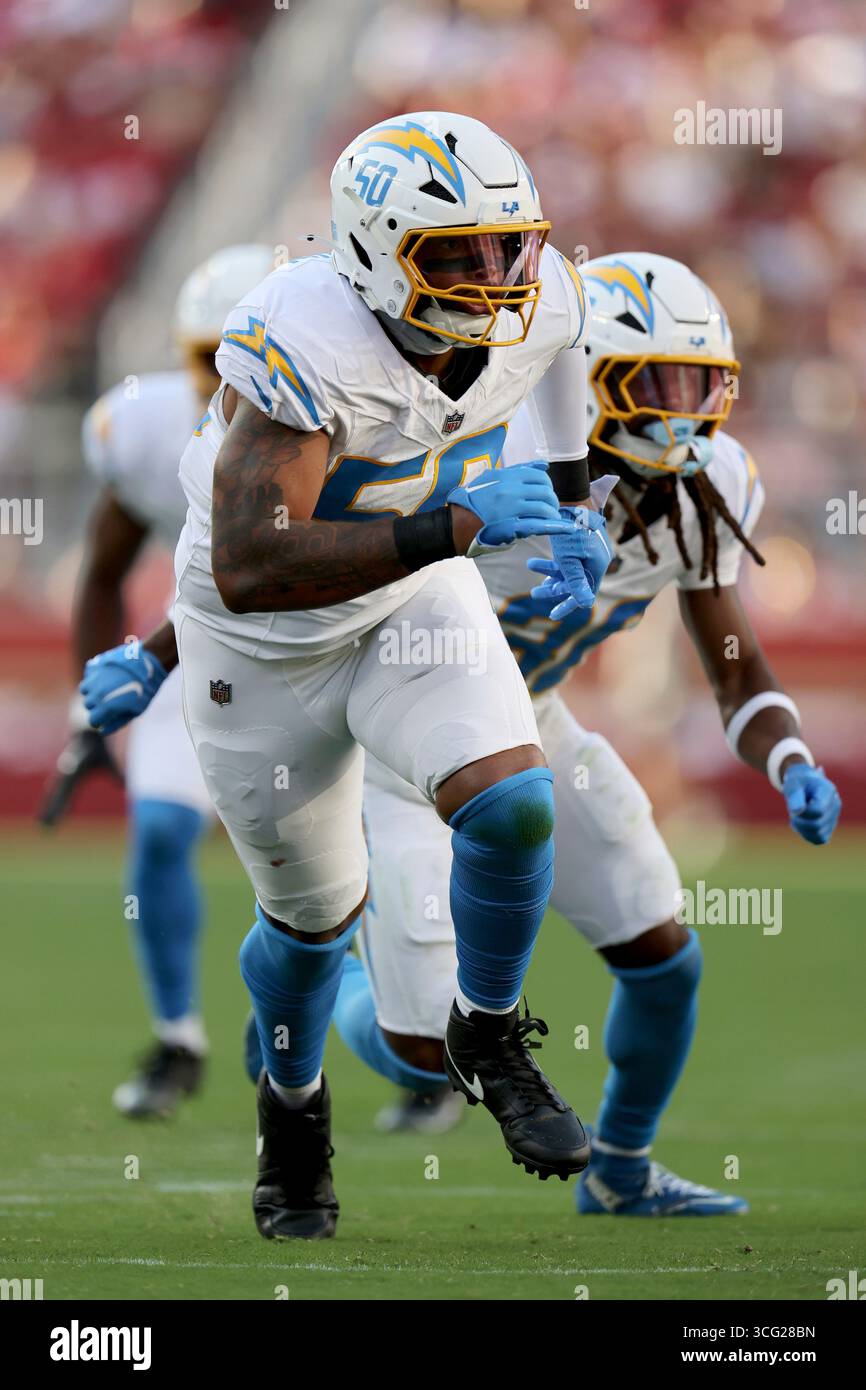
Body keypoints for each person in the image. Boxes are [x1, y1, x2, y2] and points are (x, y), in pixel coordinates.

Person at [79, 111, 614, 1240]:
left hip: (409, 600)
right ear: (373, 252)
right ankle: (291, 1107)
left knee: (514, 805)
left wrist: (568, 503)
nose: (495, 277)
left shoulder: (544, 289)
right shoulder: (303, 334)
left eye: (503, 247)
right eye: (455, 256)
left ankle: (486, 1026)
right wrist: (459, 521)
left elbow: (558, 335)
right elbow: (253, 561)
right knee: (311, 926)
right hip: (259, 642)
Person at [327, 253, 842, 1214]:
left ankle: (621, 1175)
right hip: (404, 745)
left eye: (704, 385)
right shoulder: (494, 451)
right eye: (660, 382)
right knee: (426, 1054)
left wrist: (790, 755)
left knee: (663, 951)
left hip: (531, 721)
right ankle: (321, 987)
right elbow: (346, 569)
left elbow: (730, 656)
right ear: (590, 376)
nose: (687, 412)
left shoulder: (705, 487)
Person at [42, 245, 276, 1116]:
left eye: (242, 358)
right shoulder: (143, 430)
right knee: (159, 837)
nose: (225, 385)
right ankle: (178, 1038)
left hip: (326, 662)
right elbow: (102, 575)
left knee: (333, 875)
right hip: (199, 666)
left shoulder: (348, 418)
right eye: (206, 361)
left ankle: (360, 1031)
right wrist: (91, 715)